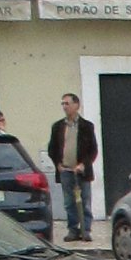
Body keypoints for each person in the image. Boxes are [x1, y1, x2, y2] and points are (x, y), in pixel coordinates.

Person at [47, 92, 99, 243]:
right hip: (66, 171)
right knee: (69, 202)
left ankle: (86, 230)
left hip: (82, 171)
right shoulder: (58, 126)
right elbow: (52, 149)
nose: (64, 107)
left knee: (85, 201)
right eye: (62, 104)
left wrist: (83, 164)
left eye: (67, 103)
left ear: (76, 105)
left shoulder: (86, 126)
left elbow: (93, 150)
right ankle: (72, 230)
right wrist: (58, 164)